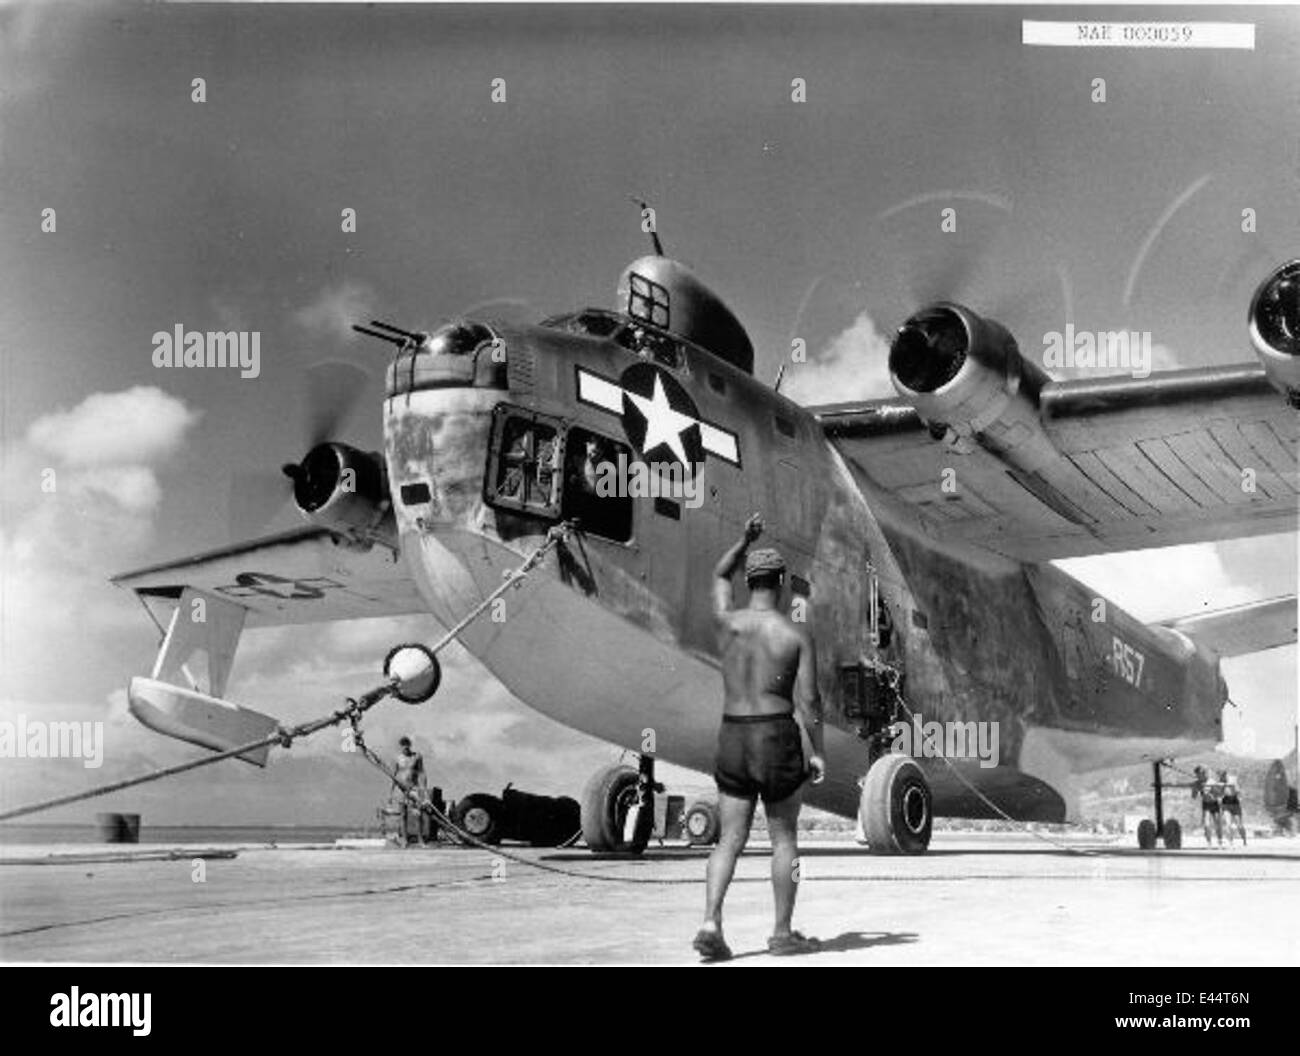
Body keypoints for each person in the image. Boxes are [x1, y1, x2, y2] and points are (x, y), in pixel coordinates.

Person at [693, 513, 827, 961]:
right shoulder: (795, 634)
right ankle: (781, 933)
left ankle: (711, 921)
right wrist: (820, 751)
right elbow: (810, 701)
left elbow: (717, 573)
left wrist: (742, 538)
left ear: (750, 580)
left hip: (733, 734)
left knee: (728, 839)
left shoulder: (727, 624)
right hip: (776, 736)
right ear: (783, 581)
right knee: (784, 837)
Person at [393, 736, 430, 846]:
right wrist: (391, 793)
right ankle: (405, 840)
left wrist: (423, 789)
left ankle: (420, 840)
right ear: (400, 746)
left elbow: (422, 773)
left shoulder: (417, 757)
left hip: (413, 788)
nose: (405, 747)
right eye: (403, 745)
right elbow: (394, 775)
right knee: (403, 814)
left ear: (410, 745)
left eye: (407, 744)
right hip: (400, 789)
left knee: (418, 814)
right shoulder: (397, 758)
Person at [1192, 765, 1224, 848]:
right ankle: (1209, 842)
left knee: (1217, 824)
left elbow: (1220, 794)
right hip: (1206, 805)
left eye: (1200, 774)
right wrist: (1195, 788)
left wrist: (1211, 792)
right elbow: (1194, 796)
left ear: (1203, 773)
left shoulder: (1212, 781)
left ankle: (1220, 841)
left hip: (1214, 804)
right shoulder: (1197, 783)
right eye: (1197, 775)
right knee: (1206, 824)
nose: (1198, 776)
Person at [1220, 769, 1246, 846]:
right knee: (1228, 824)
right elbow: (1219, 793)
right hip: (1226, 805)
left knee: (1239, 825)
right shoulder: (1220, 783)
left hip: (1235, 804)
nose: (1223, 778)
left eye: (1224, 777)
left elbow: (1238, 791)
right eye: (1221, 777)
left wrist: (1238, 794)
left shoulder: (1232, 781)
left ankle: (1244, 839)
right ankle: (1230, 841)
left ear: (1226, 776)